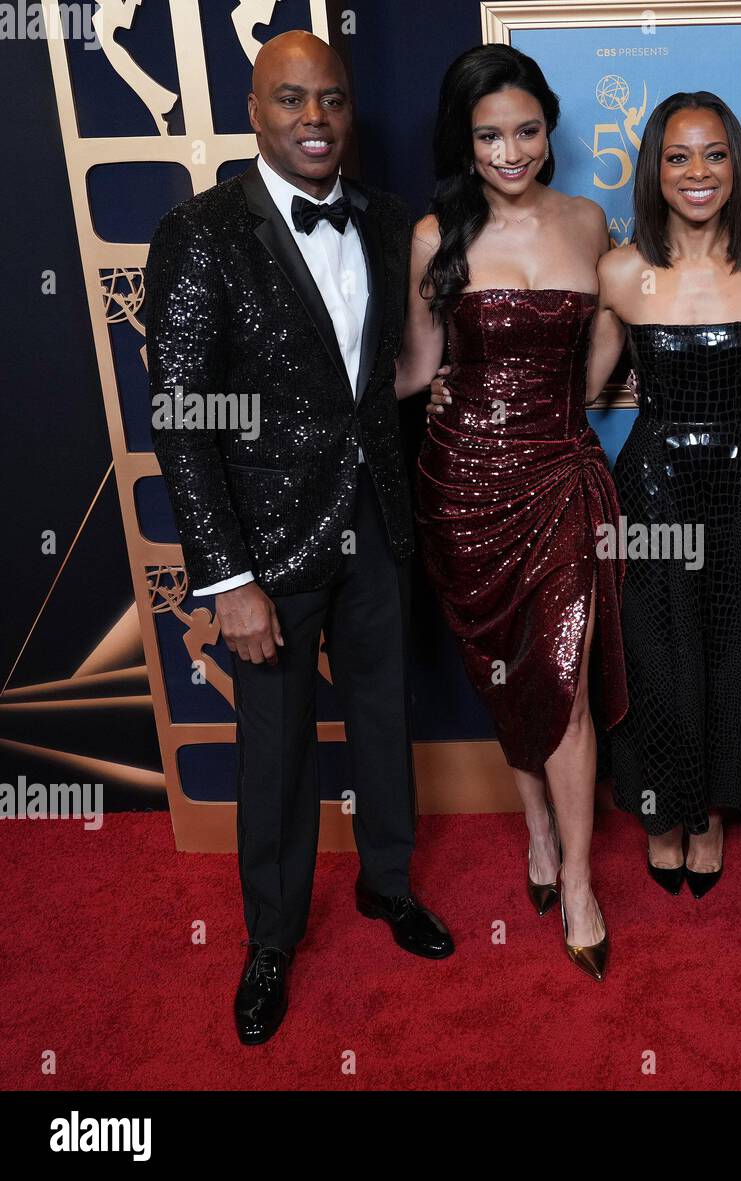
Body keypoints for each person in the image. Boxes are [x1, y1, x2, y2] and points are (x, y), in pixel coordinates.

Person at [145, 31, 453, 1047]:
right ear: (253, 109)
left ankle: (389, 884)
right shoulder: (199, 233)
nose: (315, 117)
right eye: (291, 100)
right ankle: (271, 939)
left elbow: (391, 374)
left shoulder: (382, 218)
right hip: (264, 550)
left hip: (374, 519)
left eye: (330, 98)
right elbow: (183, 415)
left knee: (381, 717)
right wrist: (227, 578)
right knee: (274, 751)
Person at [396, 44, 624, 982]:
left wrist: (573, 414)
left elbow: (607, 330)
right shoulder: (432, 235)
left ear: (549, 129)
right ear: (467, 140)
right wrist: (428, 385)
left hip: (561, 478)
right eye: (490, 134)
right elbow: (412, 368)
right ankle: (535, 828)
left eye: (527, 130)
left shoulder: (588, 219)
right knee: (509, 673)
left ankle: (576, 878)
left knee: (563, 678)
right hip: (462, 488)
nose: (510, 151)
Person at [584, 92, 741, 897]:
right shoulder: (620, 269)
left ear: (736, 165)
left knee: (733, 649)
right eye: (678, 156)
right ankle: (662, 808)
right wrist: (462, 394)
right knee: (655, 652)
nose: (697, 172)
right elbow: (576, 384)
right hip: (651, 486)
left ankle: (709, 811)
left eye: (714, 154)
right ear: (655, 169)